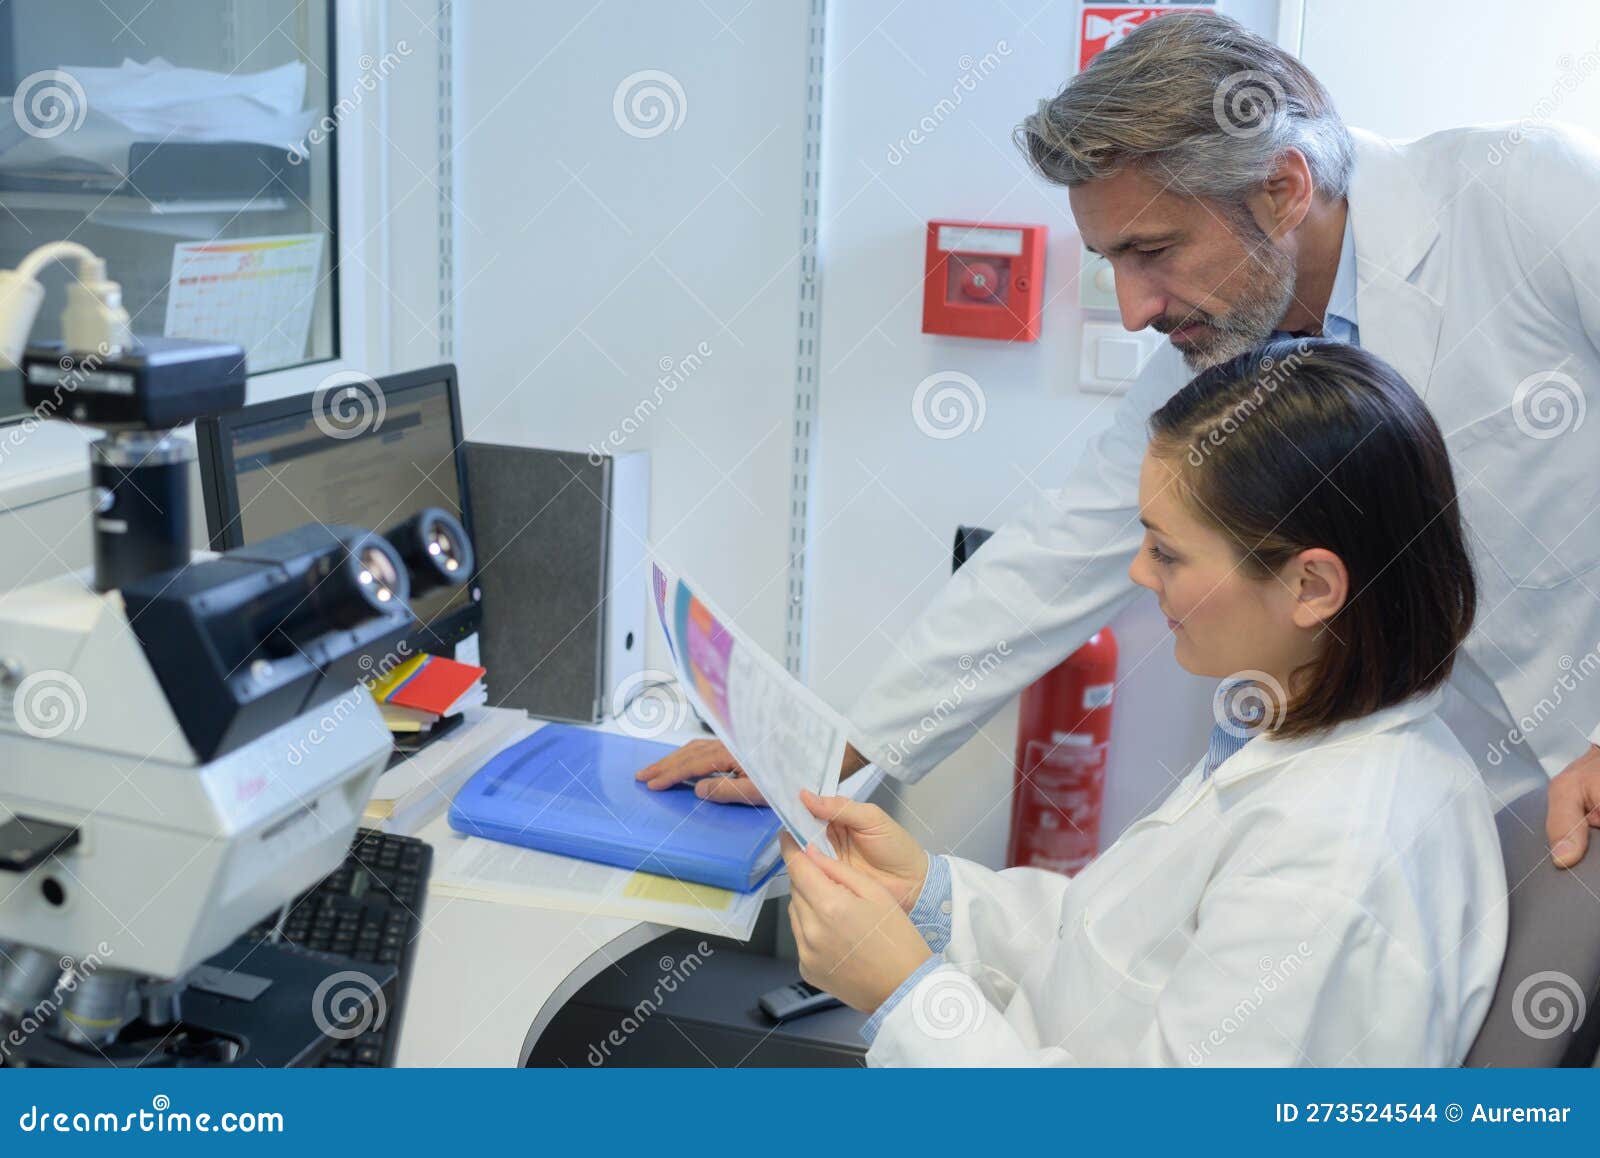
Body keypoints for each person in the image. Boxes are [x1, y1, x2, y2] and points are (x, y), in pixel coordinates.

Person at [638, 9, 1600, 868]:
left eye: (1153, 252)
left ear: (1281, 190)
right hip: (1464, 821)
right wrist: (826, 752)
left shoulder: (1521, 197)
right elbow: (1055, 557)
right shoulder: (1224, 342)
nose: (1136, 308)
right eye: (1110, 263)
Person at [778, 339, 1506, 1065]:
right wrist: (929, 897)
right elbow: (1103, 956)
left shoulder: (1335, 859)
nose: (1137, 571)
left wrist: (910, 998)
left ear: (1310, 586)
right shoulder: (1281, 742)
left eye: (1166, 552)